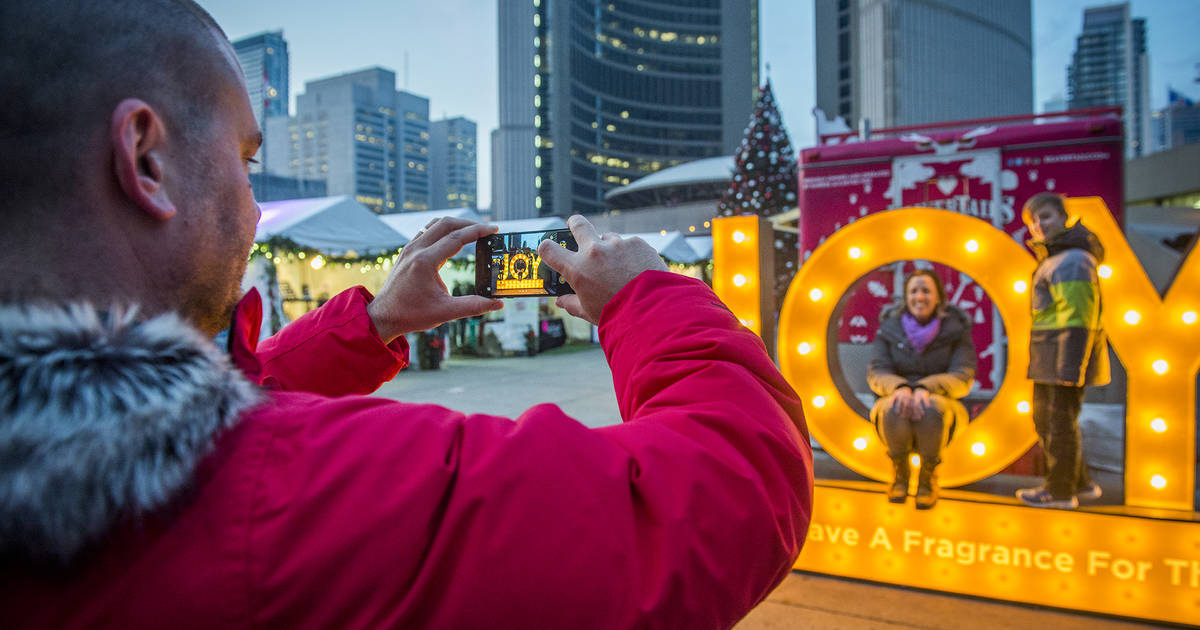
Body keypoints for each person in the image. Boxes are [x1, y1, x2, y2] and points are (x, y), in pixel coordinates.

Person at [0, 2, 813, 628]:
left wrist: (370, 325)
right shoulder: (298, 499)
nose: (254, 203)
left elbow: (180, 417)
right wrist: (648, 297)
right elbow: (731, 487)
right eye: (246, 160)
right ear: (146, 157)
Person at [1016, 193, 1109, 510]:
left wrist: (1071, 368)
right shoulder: (1057, 258)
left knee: (1058, 426)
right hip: (1049, 359)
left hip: (1061, 361)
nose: (1040, 225)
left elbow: (1079, 317)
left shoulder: (1072, 260)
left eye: (1046, 217)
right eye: (1034, 221)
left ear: (1063, 217)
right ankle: (1080, 484)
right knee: (1052, 423)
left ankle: (1059, 493)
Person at [867, 270, 976, 509]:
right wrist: (901, 387)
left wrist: (925, 388)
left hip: (942, 399)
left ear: (938, 297)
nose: (920, 296)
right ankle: (900, 473)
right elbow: (877, 372)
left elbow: (963, 376)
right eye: (914, 291)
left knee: (930, 407)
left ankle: (928, 477)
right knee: (893, 407)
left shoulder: (956, 330)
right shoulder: (889, 328)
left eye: (926, 290)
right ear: (906, 297)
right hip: (896, 397)